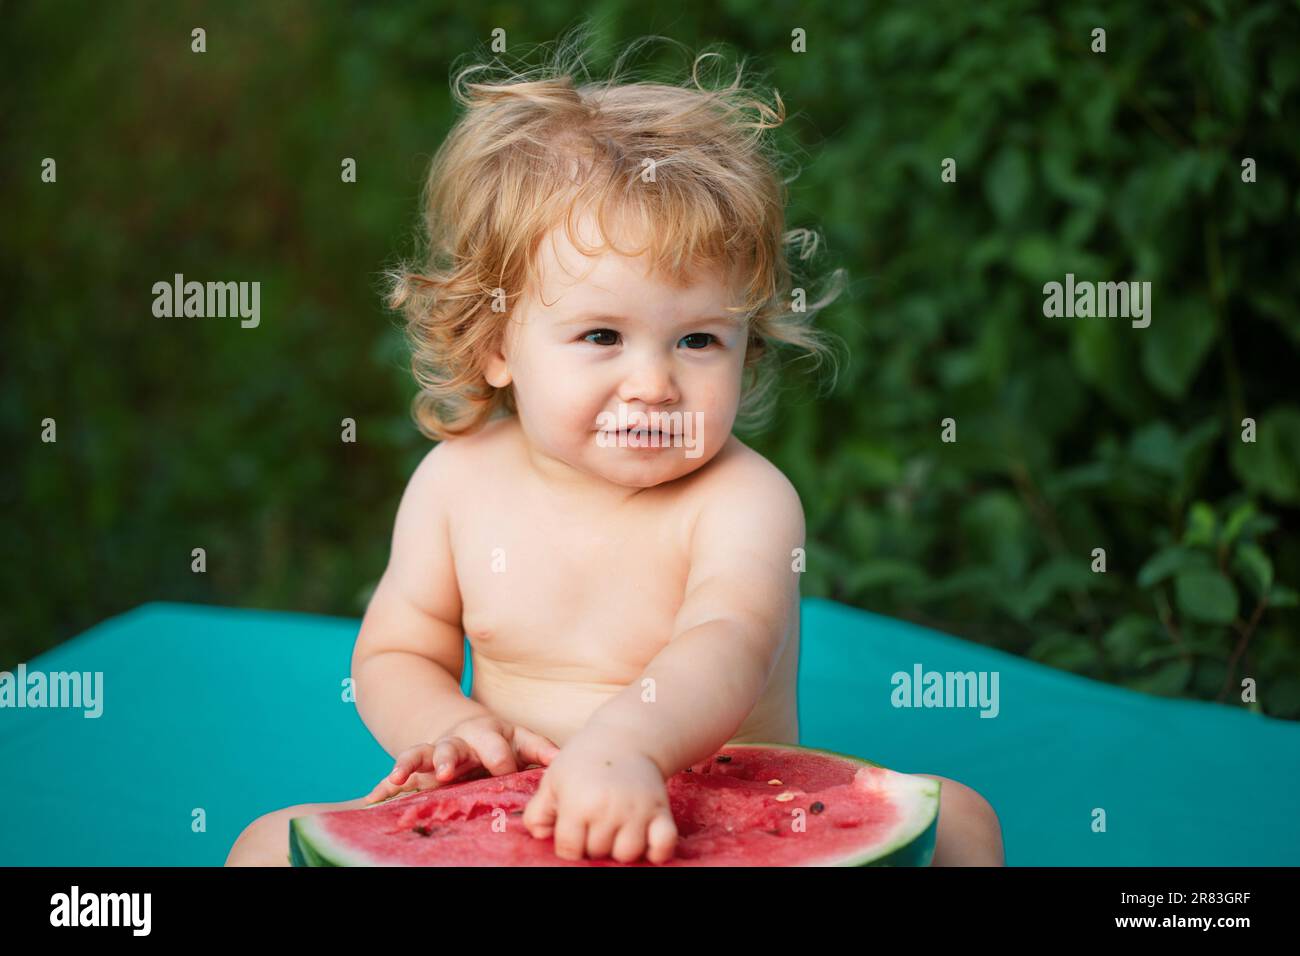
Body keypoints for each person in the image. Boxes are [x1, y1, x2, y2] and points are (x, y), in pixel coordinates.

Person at [226, 34, 1003, 867]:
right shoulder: (455, 482)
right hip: (510, 824)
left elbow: (729, 640)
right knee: (263, 846)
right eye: (603, 334)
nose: (655, 384)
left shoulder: (745, 499)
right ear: (494, 343)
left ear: (752, 348)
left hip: (708, 818)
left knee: (959, 820)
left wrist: (629, 748)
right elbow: (398, 649)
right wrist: (446, 730)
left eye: (700, 339)